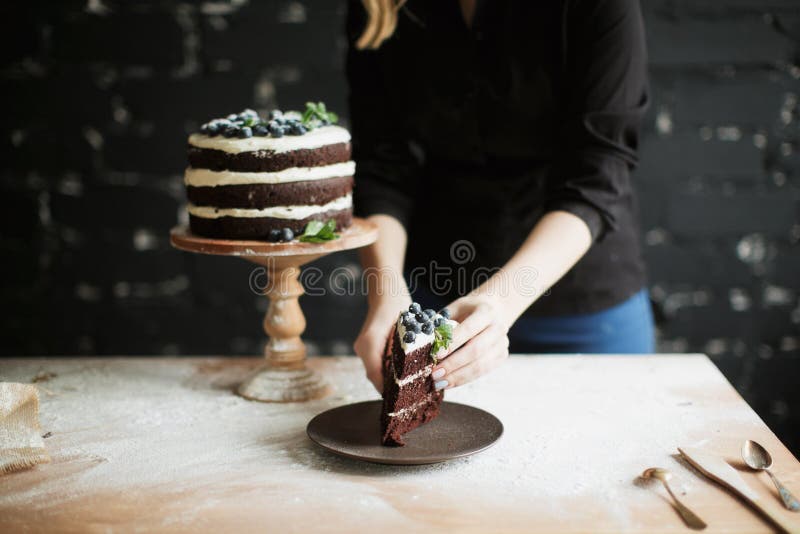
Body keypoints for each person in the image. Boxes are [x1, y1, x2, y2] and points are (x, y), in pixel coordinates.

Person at [347, 0, 655, 393]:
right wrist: (385, 291)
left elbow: (598, 174)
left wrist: (500, 303)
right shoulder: (379, 6)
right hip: (435, 290)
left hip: (583, 307)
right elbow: (381, 165)